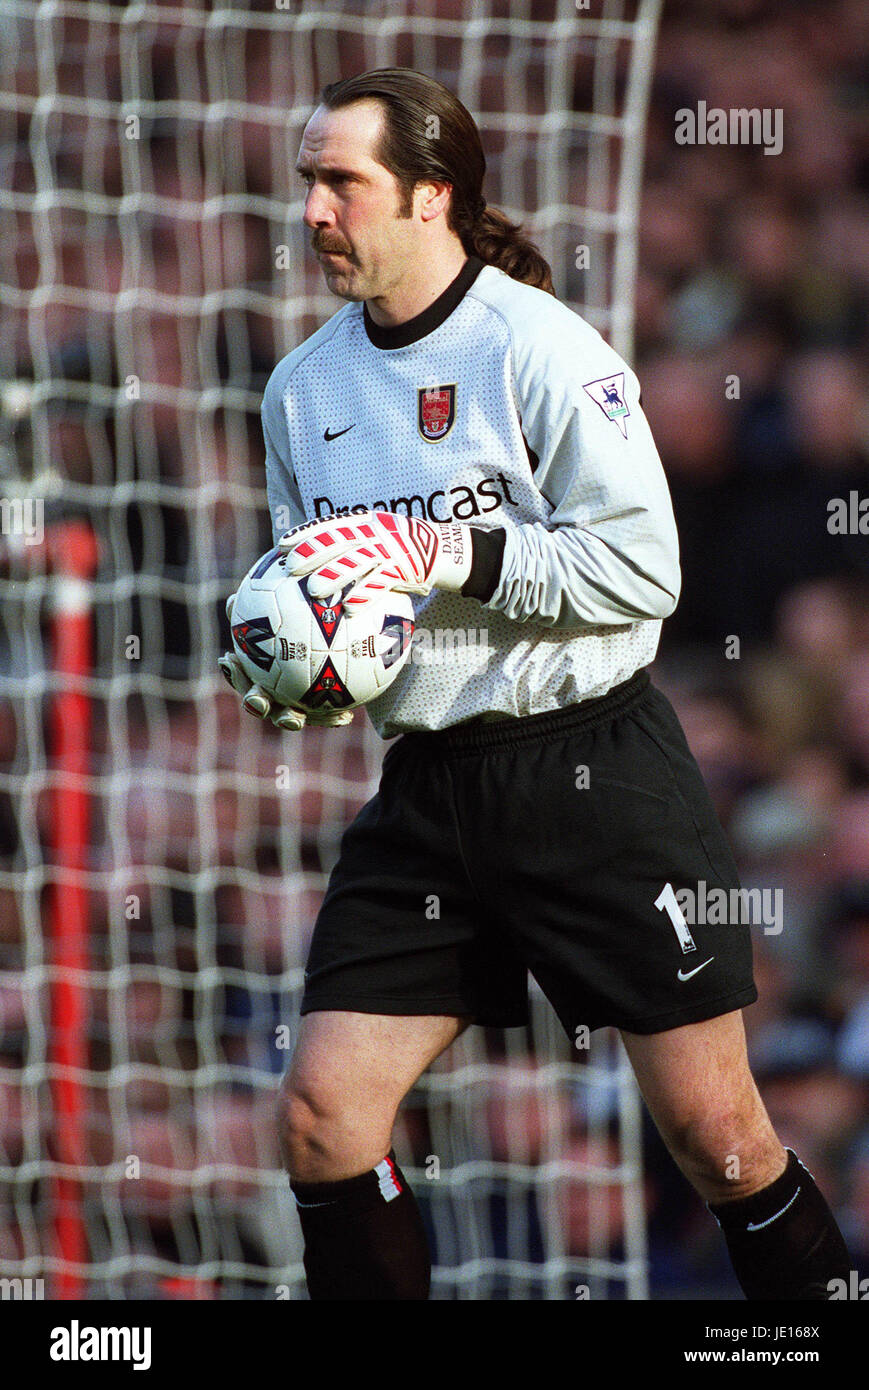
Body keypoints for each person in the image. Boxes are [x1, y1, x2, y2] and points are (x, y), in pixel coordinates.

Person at [219, 68, 851, 1300]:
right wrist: (300, 666)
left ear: (430, 196)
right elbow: (344, 604)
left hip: (593, 772)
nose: (312, 210)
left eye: (340, 181)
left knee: (718, 1142)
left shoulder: (539, 348)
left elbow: (639, 565)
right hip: (429, 790)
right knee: (322, 1121)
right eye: (307, 182)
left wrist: (444, 550)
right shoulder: (299, 391)